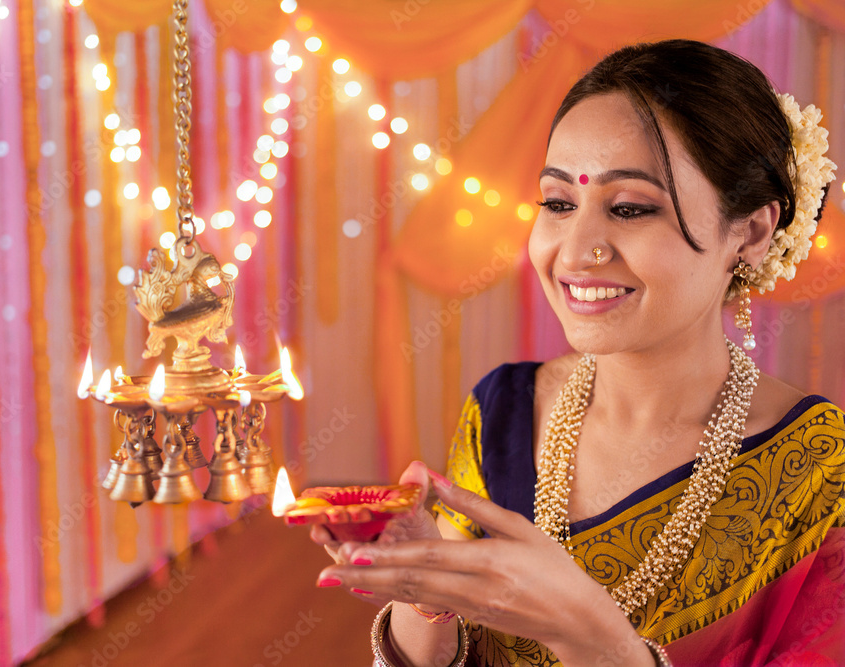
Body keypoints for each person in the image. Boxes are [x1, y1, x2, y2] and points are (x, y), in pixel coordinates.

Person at [311, 39, 843, 666]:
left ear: (751, 232)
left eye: (630, 208)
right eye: (559, 203)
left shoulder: (820, 473)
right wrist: (427, 597)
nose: (575, 249)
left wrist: (599, 642)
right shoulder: (502, 412)